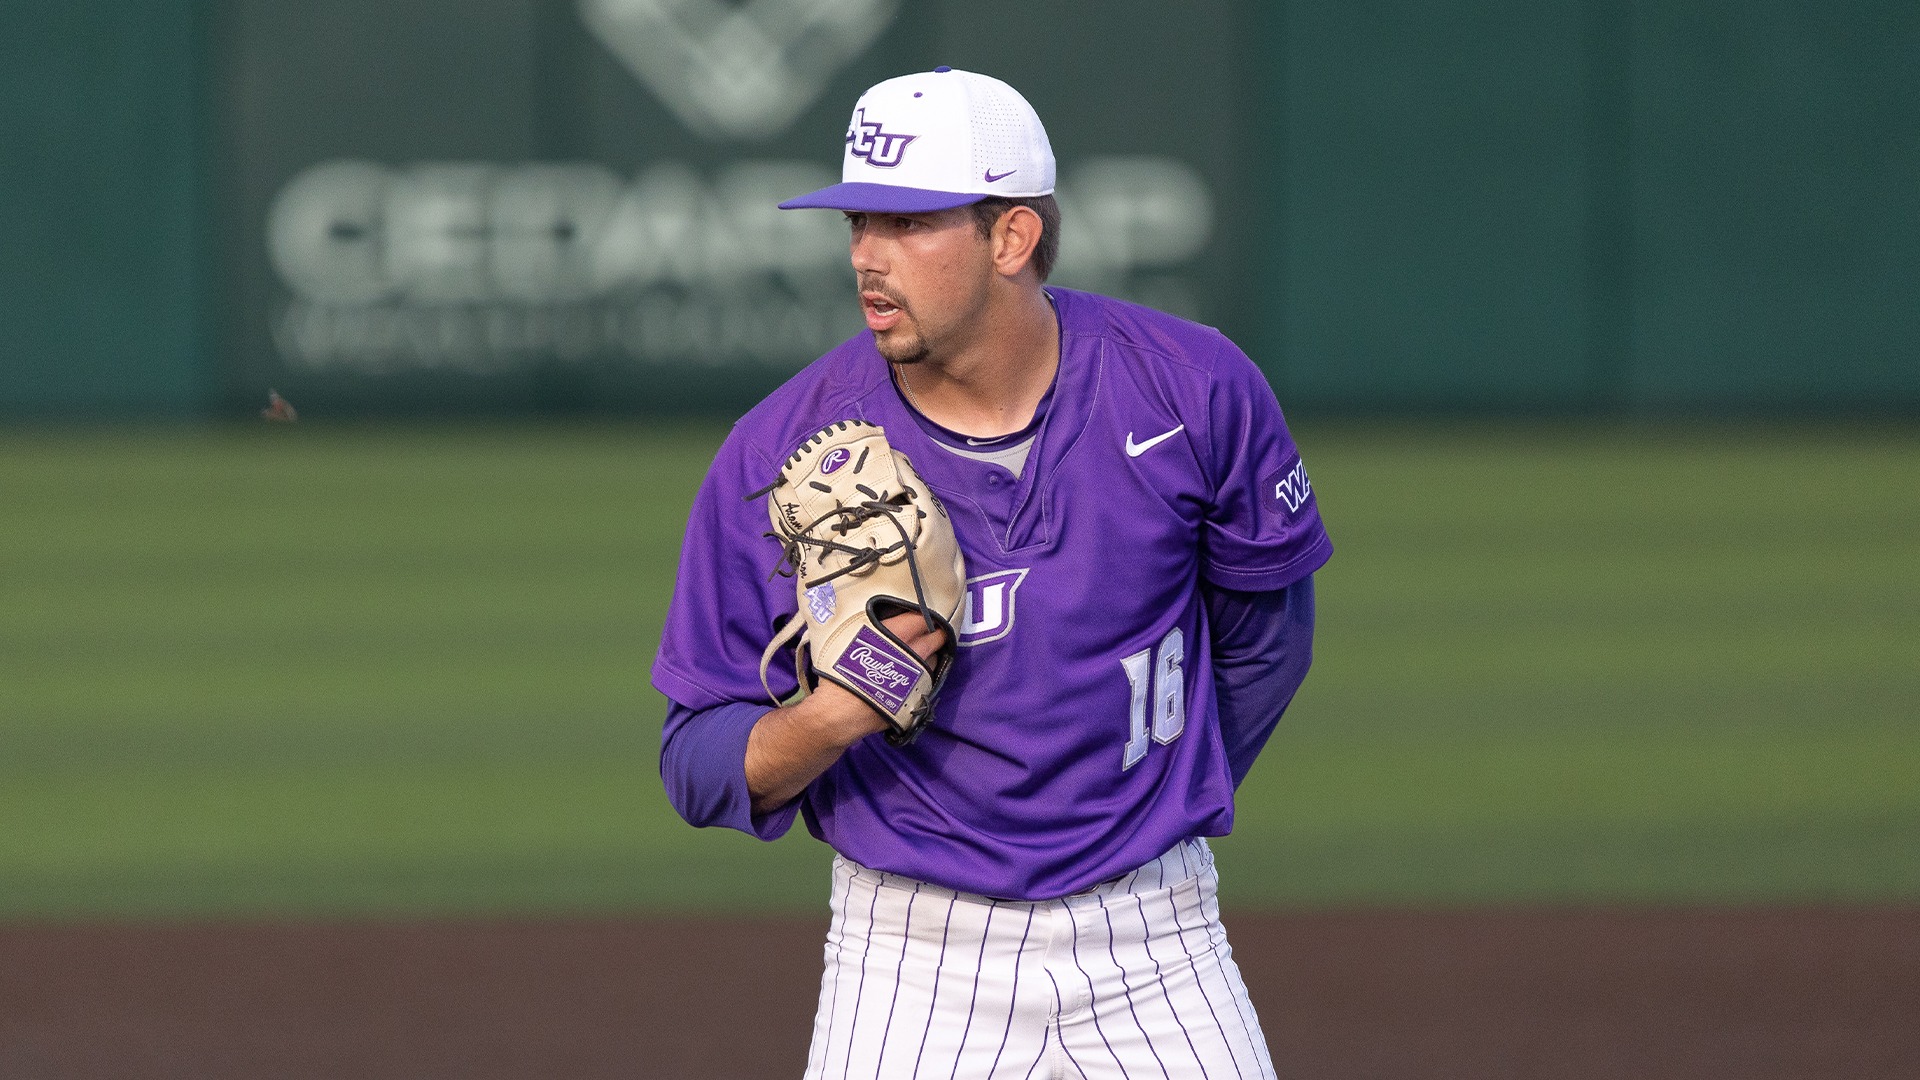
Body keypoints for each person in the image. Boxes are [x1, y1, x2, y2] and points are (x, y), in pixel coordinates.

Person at [653, 67, 1330, 1080]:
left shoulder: (1195, 390)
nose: (868, 259)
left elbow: (1266, 642)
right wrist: (839, 712)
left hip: (1160, 945)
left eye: (908, 223)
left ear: (1011, 237)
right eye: (857, 224)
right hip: (909, 964)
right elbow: (696, 762)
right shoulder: (782, 458)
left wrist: (1157, 802)